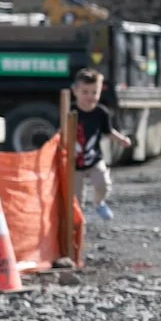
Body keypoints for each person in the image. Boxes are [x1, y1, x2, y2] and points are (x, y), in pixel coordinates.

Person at [69, 68, 131, 220]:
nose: (90, 97)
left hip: (94, 158)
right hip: (73, 162)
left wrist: (121, 139)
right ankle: (78, 220)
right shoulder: (70, 111)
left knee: (103, 183)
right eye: (85, 92)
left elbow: (108, 131)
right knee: (76, 195)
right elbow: (60, 133)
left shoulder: (101, 113)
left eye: (94, 92)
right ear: (75, 91)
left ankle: (99, 202)